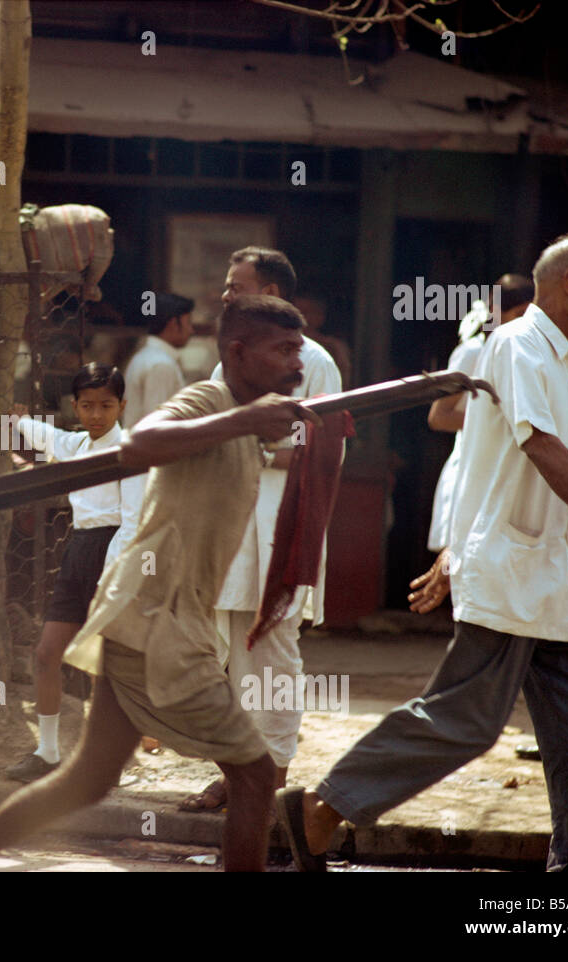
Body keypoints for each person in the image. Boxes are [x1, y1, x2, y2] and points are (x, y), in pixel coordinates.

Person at [0, 296, 321, 872]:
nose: (294, 363)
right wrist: (250, 421)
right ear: (238, 353)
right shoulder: (210, 400)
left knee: (85, 783)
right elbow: (138, 446)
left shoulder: (247, 424)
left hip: (151, 621)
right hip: (159, 626)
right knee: (253, 773)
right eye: (282, 350)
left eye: (297, 350)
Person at [280, 233, 568, 873]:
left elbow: (487, 464)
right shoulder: (515, 346)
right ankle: (324, 807)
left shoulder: (562, 356)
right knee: (464, 720)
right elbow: (540, 447)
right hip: (511, 573)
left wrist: (456, 551)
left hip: (543, 576)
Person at [181, 247, 342, 815]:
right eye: (226, 287)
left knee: (270, 651)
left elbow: (319, 446)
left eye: (235, 286)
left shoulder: (315, 361)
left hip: (281, 521)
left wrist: (247, 439)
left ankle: (271, 775)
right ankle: (234, 771)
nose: (224, 295)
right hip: (226, 518)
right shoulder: (230, 358)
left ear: (271, 292)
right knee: (220, 653)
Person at [4, 364, 144, 782]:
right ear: (75, 407)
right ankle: (47, 752)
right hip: (78, 550)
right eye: (87, 406)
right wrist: (18, 420)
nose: (96, 414)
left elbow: (134, 521)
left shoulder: (131, 450)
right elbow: (51, 438)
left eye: (105, 405)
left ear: (122, 405)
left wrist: (113, 577)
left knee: (109, 666)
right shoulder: (77, 443)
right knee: (48, 653)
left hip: (114, 550)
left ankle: (108, 760)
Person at [426, 274, 534, 553]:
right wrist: (497, 423)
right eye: (518, 314)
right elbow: (439, 417)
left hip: (508, 479)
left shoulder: (530, 355)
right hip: (470, 474)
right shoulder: (472, 352)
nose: (525, 322)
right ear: (497, 314)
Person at [122, 292, 193, 428]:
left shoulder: (148, 357)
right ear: (173, 324)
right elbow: (156, 426)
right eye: (188, 323)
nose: (191, 330)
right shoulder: (160, 364)